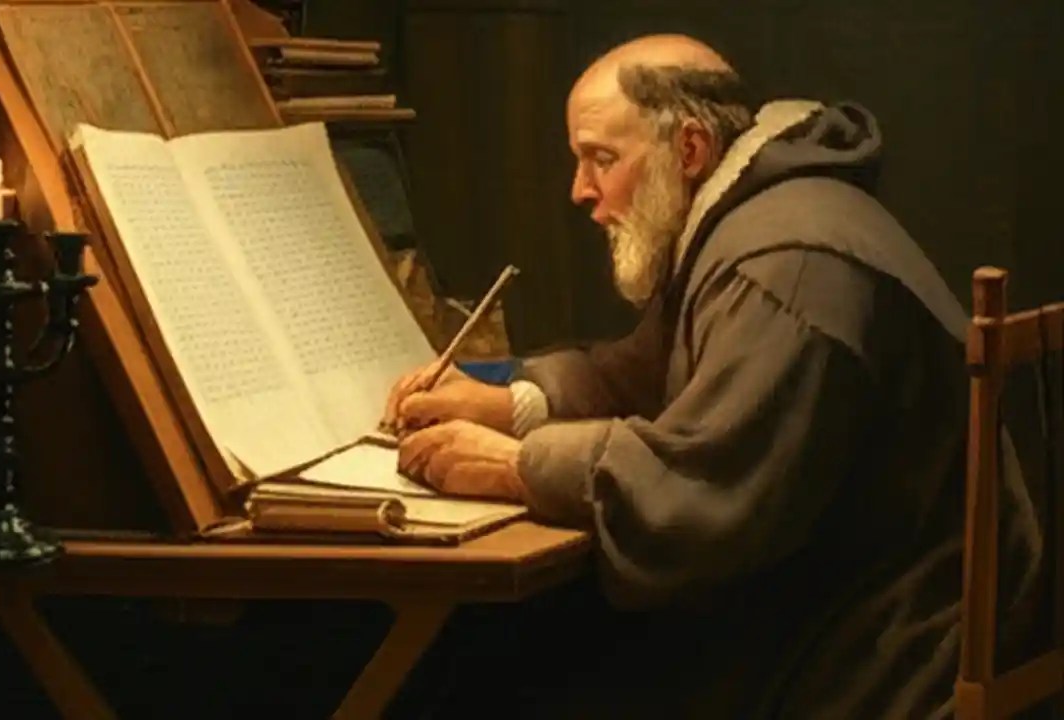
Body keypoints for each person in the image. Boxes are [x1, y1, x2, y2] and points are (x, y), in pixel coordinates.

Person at [382, 34, 1042, 718]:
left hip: (884, 646)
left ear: (690, 150)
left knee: (502, 676)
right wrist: (509, 405)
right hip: (835, 603)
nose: (579, 191)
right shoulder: (752, 217)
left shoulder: (783, 266)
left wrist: (521, 467)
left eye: (600, 159)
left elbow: (707, 489)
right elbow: (646, 371)